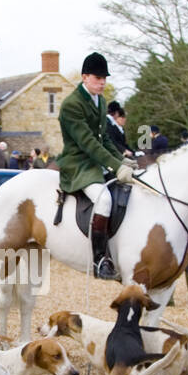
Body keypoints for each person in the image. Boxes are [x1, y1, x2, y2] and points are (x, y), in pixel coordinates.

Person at [58, 52, 136, 279]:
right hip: (78, 164)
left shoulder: (100, 101)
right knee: (104, 200)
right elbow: (88, 143)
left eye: (104, 78)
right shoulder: (72, 105)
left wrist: (122, 160)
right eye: (98, 77)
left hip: (97, 161)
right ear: (84, 77)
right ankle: (100, 259)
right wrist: (116, 166)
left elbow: (104, 140)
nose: (102, 82)